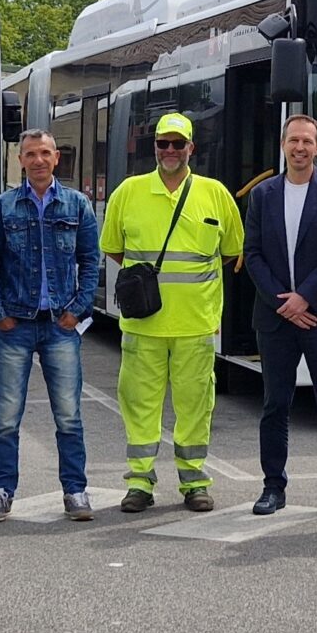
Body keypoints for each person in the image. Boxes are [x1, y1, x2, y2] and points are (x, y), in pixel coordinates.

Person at [100, 112, 243, 514]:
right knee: (139, 404)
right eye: (163, 143)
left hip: (196, 324)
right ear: (155, 147)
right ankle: (140, 482)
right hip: (143, 324)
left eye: (178, 144)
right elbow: (112, 247)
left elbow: (233, 252)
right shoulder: (128, 192)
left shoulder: (215, 194)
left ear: (191, 149)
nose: (169, 150)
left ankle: (194, 480)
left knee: (196, 405)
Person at [0, 129, 101, 523]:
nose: (38, 160)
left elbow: (91, 261)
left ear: (56, 158)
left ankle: (75, 491)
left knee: (68, 415)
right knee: (6, 418)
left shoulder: (77, 204)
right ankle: (2, 490)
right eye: (30, 154)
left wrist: (78, 310)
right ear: (21, 160)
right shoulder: (3, 207)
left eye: (45, 153)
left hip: (60, 325)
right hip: (16, 324)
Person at [243, 114, 317, 519]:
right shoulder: (263, 195)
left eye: (307, 141)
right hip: (276, 319)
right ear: (283, 144)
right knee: (276, 405)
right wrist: (284, 303)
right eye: (294, 141)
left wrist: (305, 298)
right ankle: (273, 487)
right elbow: (252, 254)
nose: (300, 148)